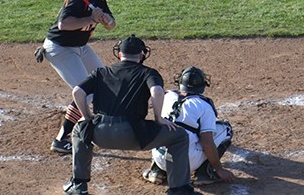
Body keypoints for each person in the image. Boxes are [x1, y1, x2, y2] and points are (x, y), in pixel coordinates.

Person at [64, 35, 201, 195]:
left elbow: (77, 91)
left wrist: (87, 118)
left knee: (79, 130)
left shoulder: (101, 72)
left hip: (99, 133)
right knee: (179, 137)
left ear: (119, 54)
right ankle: (179, 189)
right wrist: (158, 119)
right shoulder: (148, 73)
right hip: (134, 135)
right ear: (142, 55)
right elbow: (157, 91)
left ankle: (78, 185)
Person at [36, 0, 116, 155]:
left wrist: (105, 19)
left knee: (104, 81)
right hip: (60, 49)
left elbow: (112, 25)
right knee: (85, 92)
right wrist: (91, 19)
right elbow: (64, 24)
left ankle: (98, 125)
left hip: (80, 47)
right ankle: (61, 139)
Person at [142, 66, 235, 187]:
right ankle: (205, 173)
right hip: (187, 163)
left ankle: (156, 170)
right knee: (225, 129)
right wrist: (219, 169)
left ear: (180, 82)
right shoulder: (203, 105)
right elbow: (207, 143)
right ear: (202, 85)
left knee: (166, 128)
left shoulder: (165, 96)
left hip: (160, 157)